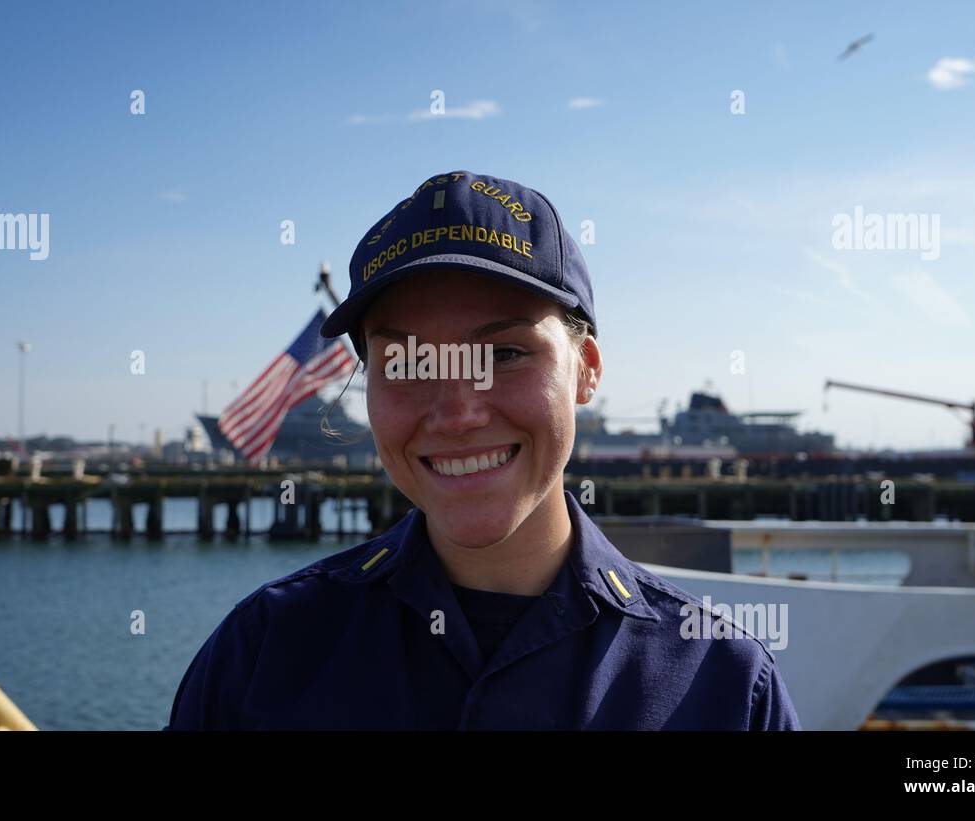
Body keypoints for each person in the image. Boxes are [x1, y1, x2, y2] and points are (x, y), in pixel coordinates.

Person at [168, 170, 800, 730]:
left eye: (504, 353)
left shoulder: (726, 685)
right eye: (409, 361)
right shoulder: (261, 654)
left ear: (587, 369)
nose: (458, 414)